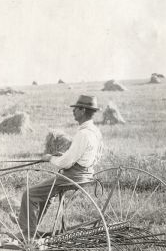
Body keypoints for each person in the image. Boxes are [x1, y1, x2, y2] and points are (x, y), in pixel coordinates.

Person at [16, 95, 103, 238]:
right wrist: (63, 155)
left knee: (29, 194)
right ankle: (30, 225)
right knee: (47, 194)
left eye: (75, 108)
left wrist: (50, 158)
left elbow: (66, 163)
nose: (73, 111)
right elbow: (91, 155)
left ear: (82, 110)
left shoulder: (83, 134)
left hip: (74, 176)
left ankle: (27, 234)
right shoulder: (95, 131)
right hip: (86, 174)